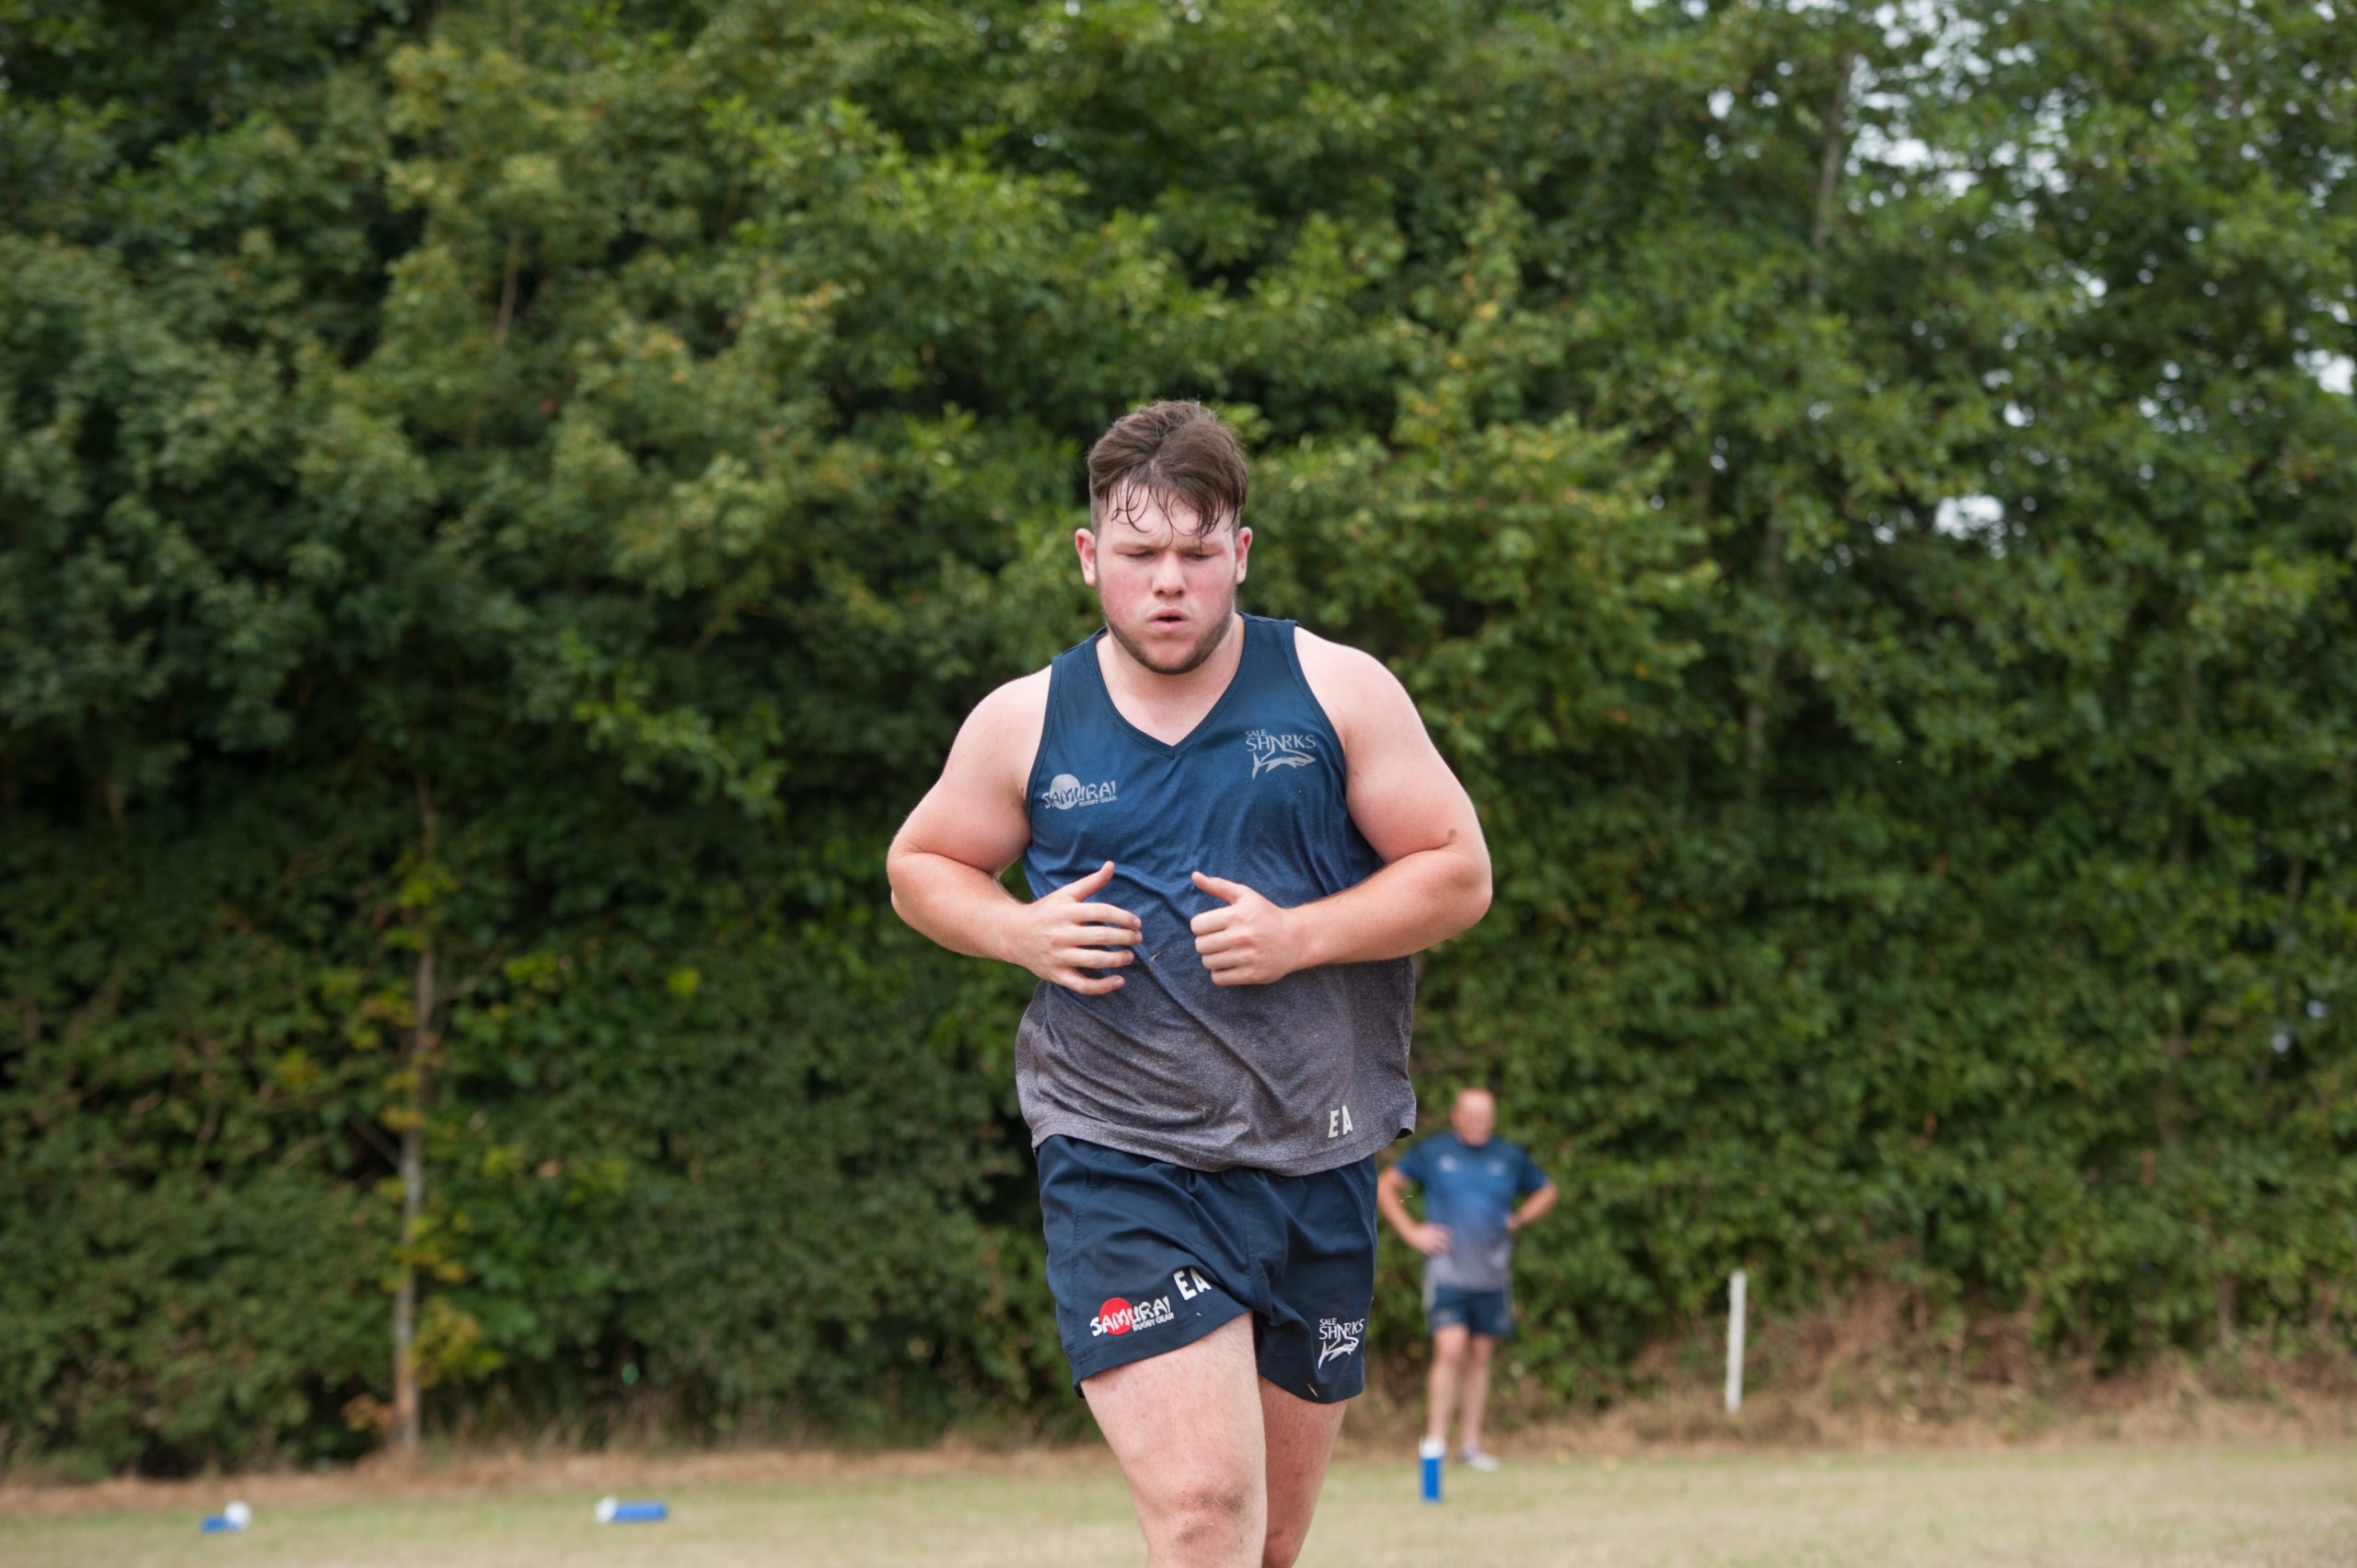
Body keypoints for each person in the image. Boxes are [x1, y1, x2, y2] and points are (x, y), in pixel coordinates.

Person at [886, 401, 1491, 1568]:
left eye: (1196, 553)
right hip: (1121, 1154)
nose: (1169, 583)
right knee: (1206, 1512)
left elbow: (1457, 872)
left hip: (1314, 1157)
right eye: (1138, 553)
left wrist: (1300, 936)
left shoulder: (1336, 690)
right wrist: (1020, 931)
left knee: (1267, 1540)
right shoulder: (1026, 720)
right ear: (1087, 555)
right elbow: (921, 865)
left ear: (1240, 554)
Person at [1376, 1086, 1556, 1471]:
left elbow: (1546, 1191)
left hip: (1492, 1275)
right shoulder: (1434, 1152)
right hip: (1447, 1274)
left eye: (1485, 1117)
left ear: (1493, 1119)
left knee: (1479, 1356)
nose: (1478, 1124)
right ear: (1456, 1116)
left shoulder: (1509, 1157)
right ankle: (1435, 1445)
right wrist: (1412, 1232)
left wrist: (1520, 1219)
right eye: (1471, 1116)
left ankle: (1470, 1445)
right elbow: (1386, 1185)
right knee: (1450, 1350)